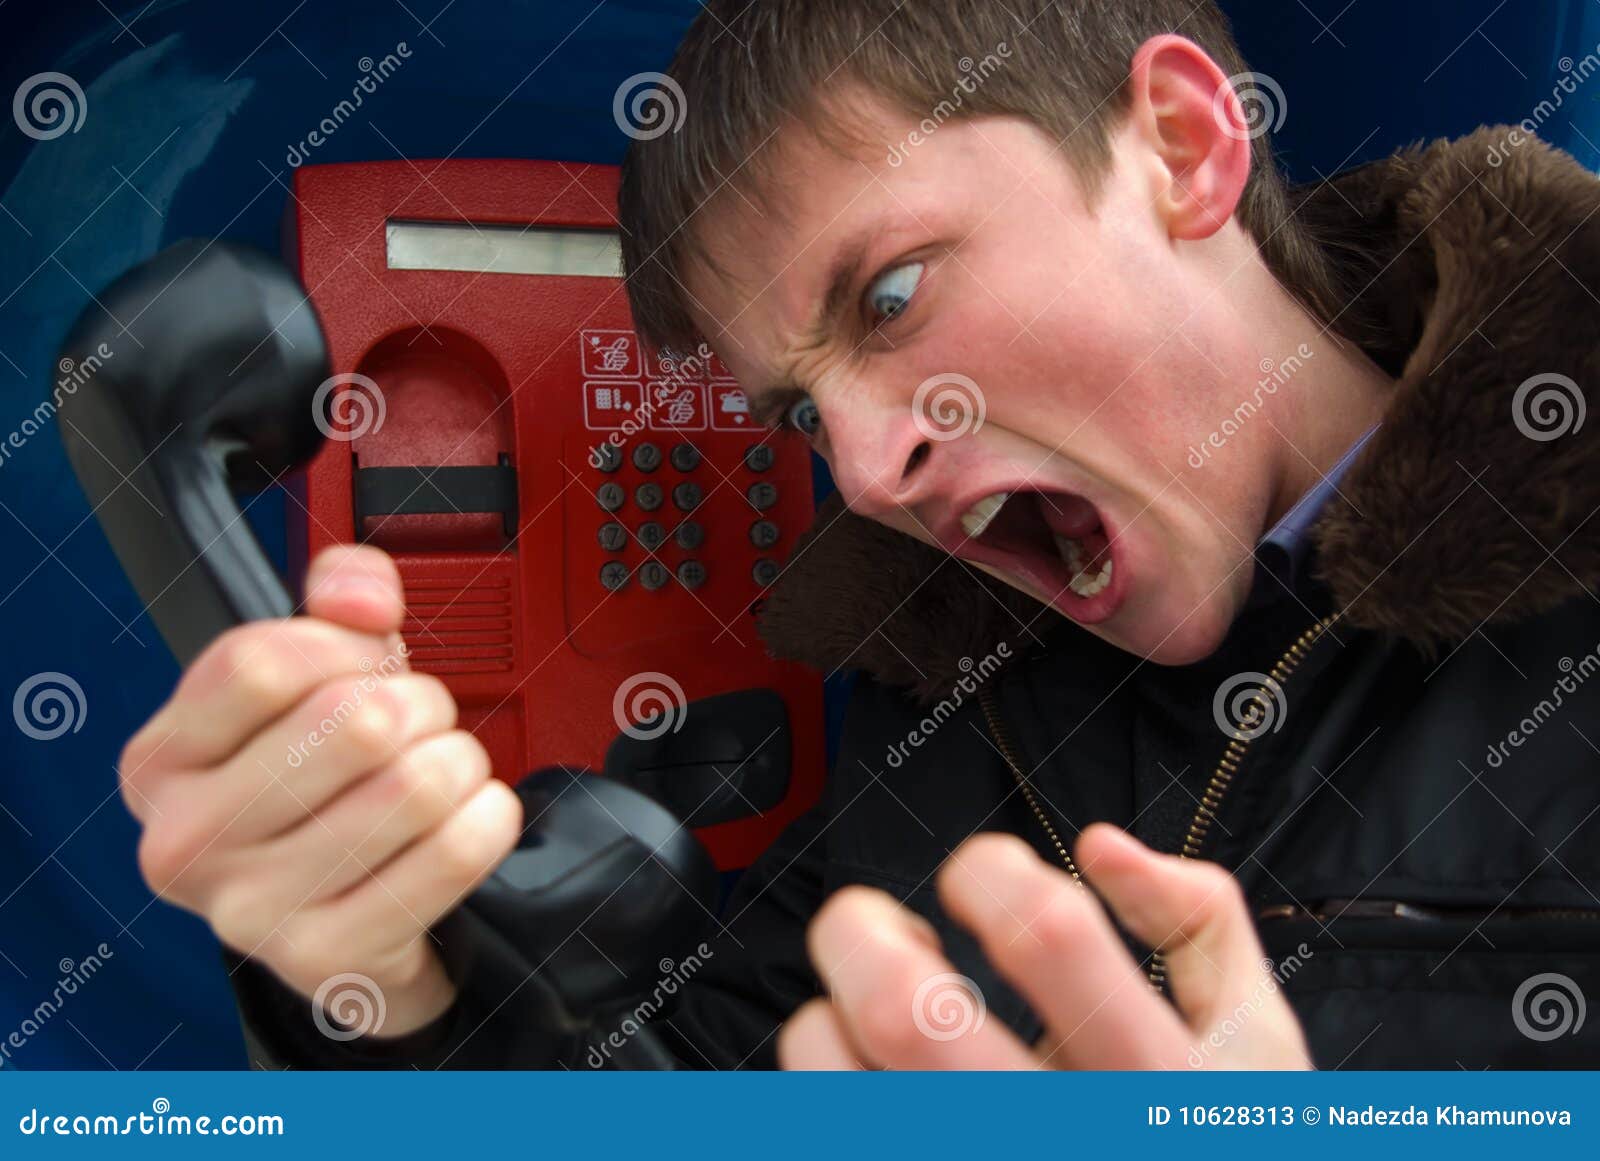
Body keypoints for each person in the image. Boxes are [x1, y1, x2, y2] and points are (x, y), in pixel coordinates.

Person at [122, 0, 1600, 1069]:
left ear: (1181, 143)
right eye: (795, 417)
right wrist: (377, 982)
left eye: (889, 298)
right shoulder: (944, 727)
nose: (869, 475)